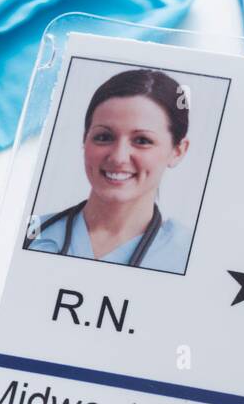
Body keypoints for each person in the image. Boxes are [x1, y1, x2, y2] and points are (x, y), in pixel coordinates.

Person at [26, 67, 192, 273]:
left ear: (178, 151)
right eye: (104, 137)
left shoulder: (190, 256)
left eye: (142, 141)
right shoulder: (31, 234)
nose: (118, 157)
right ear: (84, 140)